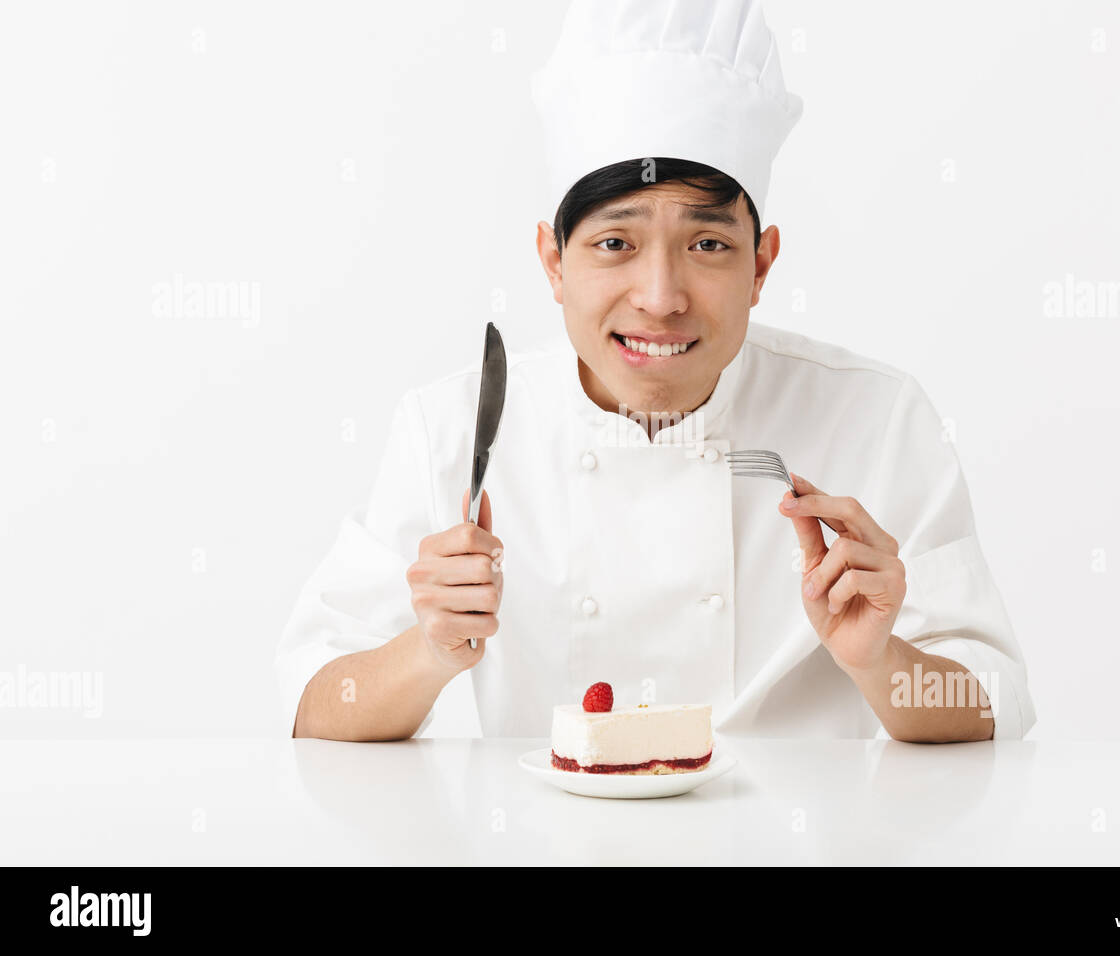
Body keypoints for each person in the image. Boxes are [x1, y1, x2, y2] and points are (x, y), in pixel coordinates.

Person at [276, 0, 1036, 744]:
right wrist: (430, 652)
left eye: (707, 245)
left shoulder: (875, 418)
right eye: (615, 243)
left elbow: (990, 705)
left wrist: (880, 662)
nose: (661, 298)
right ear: (553, 261)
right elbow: (316, 704)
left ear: (762, 264)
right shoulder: (451, 429)